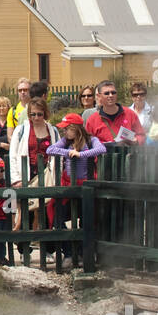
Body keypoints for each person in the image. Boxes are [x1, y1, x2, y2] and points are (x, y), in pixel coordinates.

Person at [45, 113, 106, 267]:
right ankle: (69, 252)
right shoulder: (66, 142)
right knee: (55, 214)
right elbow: (50, 150)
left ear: (75, 128)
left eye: (66, 129)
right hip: (68, 186)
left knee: (86, 220)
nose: (64, 132)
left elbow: (101, 149)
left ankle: (83, 252)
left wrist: (81, 154)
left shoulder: (91, 140)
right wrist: (68, 153)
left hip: (86, 188)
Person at [9, 97, 60, 256]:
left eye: (39, 114)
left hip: (47, 174)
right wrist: (16, 178)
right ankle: (25, 250)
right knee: (27, 211)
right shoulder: (21, 130)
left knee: (47, 212)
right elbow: (13, 154)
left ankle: (47, 249)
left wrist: (57, 175)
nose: (36, 118)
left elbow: (59, 153)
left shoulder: (53, 130)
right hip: (27, 174)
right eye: (33, 114)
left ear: (45, 113)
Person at [84, 80, 146, 145]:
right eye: (106, 93)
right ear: (99, 96)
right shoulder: (92, 120)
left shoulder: (130, 114)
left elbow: (141, 135)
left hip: (127, 154)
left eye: (113, 92)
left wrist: (136, 141)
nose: (110, 95)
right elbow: (87, 143)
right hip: (103, 154)